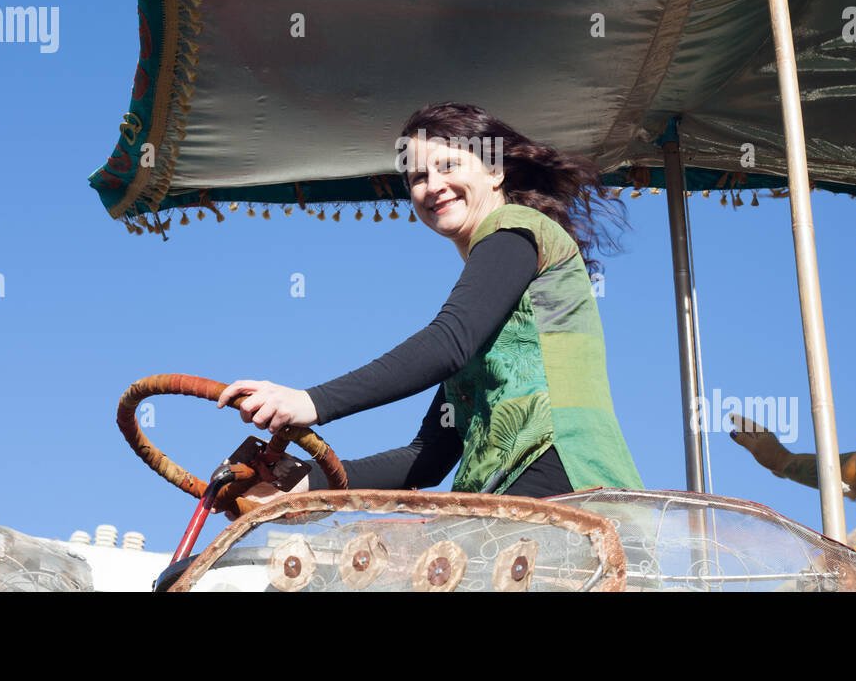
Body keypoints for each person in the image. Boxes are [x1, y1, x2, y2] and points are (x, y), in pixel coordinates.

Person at [217, 102, 644, 498]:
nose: (433, 186)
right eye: (419, 178)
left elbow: (447, 342)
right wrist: (299, 483)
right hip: (495, 497)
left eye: (448, 166)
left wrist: (311, 402)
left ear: (494, 172)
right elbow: (427, 458)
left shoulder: (516, 228)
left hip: (560, 475)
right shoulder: (484, 322)